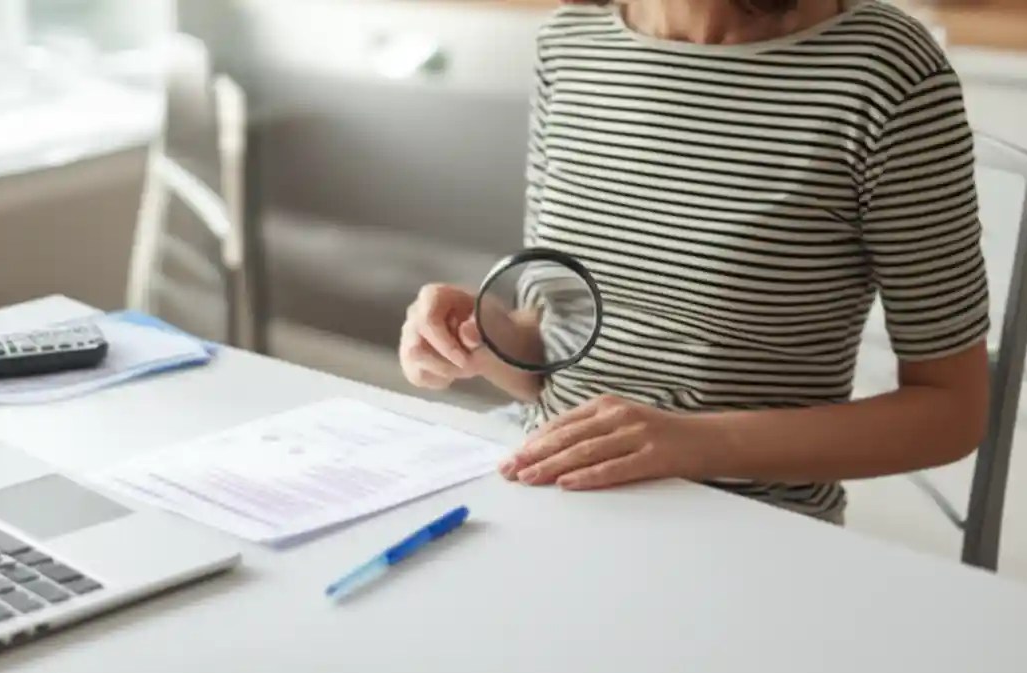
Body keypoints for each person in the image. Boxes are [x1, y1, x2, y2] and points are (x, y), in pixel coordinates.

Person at [399, 0, 991, 525]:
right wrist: (480, 336)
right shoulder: (569, 45)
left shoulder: (885, 72)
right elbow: (556, 347)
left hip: (746, 525)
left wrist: (697, 443)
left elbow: (951, 412)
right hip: (552, 496)